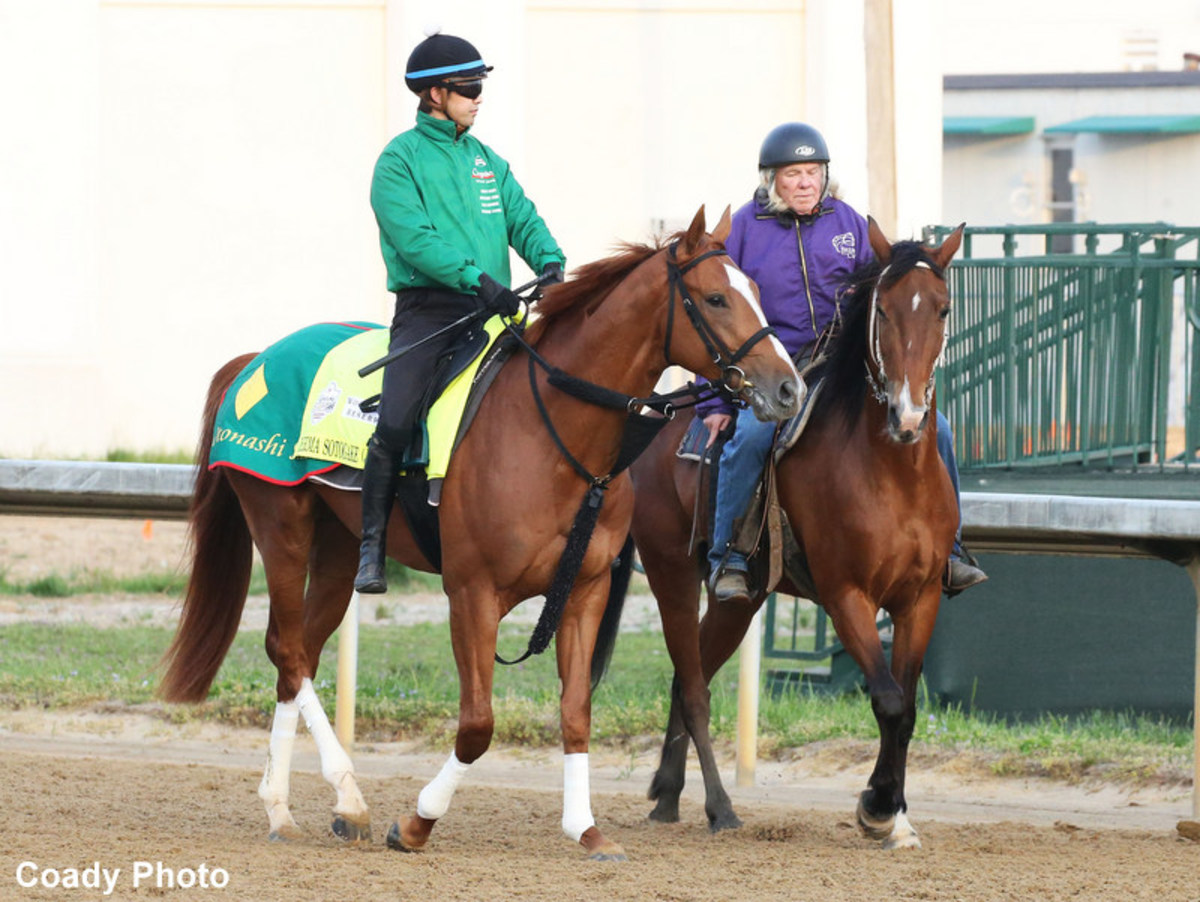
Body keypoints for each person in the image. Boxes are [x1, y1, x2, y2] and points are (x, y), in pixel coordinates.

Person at [697, 121, 987, 604]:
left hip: (840, 362)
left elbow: (890, 288)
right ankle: (729, 556)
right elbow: (712, 313)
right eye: (793, 174)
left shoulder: (849, 223)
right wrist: (714, 402)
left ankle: (952, 549)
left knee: (942, 430)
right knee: (750, 438)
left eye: (813, 172)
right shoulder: (744, 229)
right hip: (775, 369)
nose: (805, 183)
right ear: (771, 179)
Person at [355, 30, 566, 594]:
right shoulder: (397, 162)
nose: (478, 97)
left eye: (479, 86)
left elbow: (522, 218)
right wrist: (478, 279)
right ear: (434, 95)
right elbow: (416, 241)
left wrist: (550, 261)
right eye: (468, 88)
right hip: (431, 311)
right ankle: (372, 545)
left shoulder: (486, 161)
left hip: (496, 307)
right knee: (396, 419)